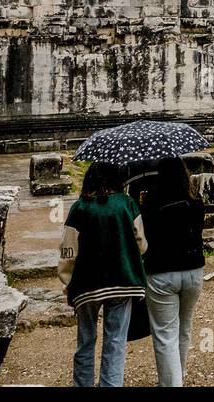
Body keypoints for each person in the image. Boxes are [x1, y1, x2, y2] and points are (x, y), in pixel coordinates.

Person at [58, 160, 148, 387]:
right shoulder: (127, 204)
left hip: (87, 284)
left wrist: (68, 283)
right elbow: (141, 243)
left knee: (86, 341)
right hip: (123, 280)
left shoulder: (80, 207)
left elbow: (69, 250)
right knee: (116, 340)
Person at [141, 155, 206, 386]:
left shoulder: (151, 202)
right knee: (184, 329)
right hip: (193, 271)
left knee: (165, 335)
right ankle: (178, 376)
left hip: (162, 273)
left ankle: (172, 383)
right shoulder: (195, 201)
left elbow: (143, 236)